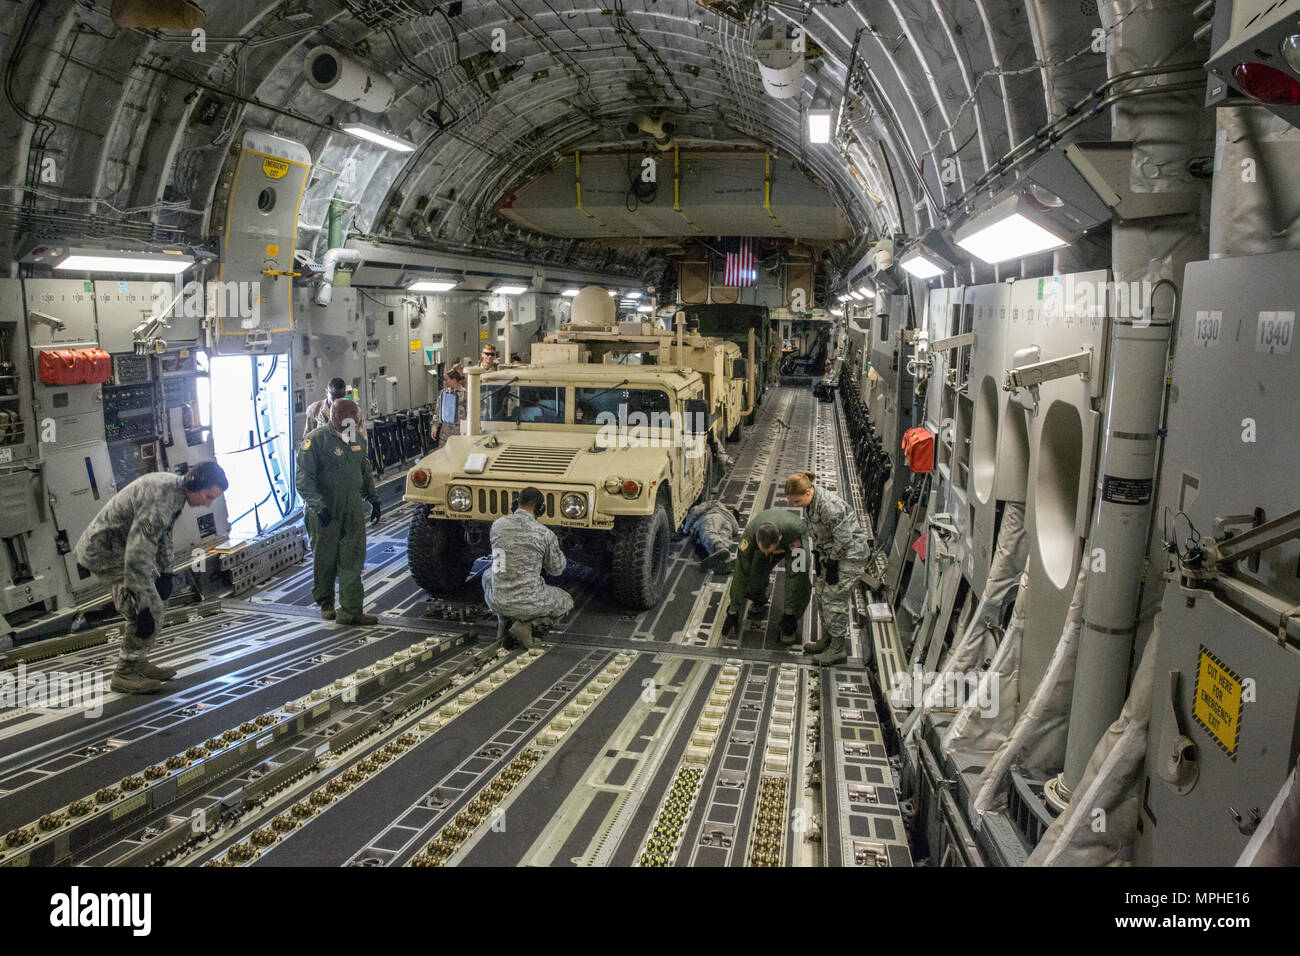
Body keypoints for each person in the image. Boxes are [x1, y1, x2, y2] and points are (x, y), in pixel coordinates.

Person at [74, 462, 228, 694]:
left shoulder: (175, 492)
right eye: (208, 496)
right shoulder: (161, 500)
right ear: (196, 484)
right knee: (146, 609)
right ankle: (125, 673)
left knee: (156, 600)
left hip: (121, 548)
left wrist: (166, 572)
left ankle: (138, 662)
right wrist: (142, 605)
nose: (208, 503)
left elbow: (164, 535)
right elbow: (137, 555)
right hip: (104, 551)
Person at [296, 398, 382, 626]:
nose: (351, 424)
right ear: (334, 418)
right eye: (347, 420)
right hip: (325, 509)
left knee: (353, 557)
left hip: (352, 506)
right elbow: (304, 480)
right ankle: (326, 603)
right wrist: (318, 507)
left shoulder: (355, 438)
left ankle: (351, 611)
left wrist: (373, 498)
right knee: (325, 558)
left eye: (354, 420)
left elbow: (363, 469)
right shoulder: (316, 441)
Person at [784, 471, 870, 665]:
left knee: (834, 598)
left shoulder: (829, 506)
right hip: (830, 555)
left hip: (849, 556)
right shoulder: (811, 504)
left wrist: (832, 562)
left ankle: (838, 648)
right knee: (822, 594)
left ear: (808, 492)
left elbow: (845, 538)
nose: (795, 506)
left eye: (796, 501)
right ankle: (829, 638)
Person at [482, 486, 573, 649]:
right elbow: (557, 570)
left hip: (496, 601)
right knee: (566, 600)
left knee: (488, 574)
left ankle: (503, 620)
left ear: (515, 504)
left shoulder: (497, 525)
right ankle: (526, 625)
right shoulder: (544, 534)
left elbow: (500, 562)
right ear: (541, 509)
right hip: (530, 602)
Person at [721, 508, 811, 646]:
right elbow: (741, 572)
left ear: (779, 539)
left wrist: (790, 614)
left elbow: (796, 577)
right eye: (764, 550)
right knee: (753, 576)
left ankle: (790, 620)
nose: (768, 553)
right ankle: (759, 598)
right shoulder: (749, 537)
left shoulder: (794, 533)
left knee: (799, 579)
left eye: (769, 550)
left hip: (791, 539)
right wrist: (733, 610)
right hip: (766, 543)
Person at [683, 500, 743, 573]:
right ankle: (726, 559)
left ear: (731, 511)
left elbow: (697, 511)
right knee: (724, 538)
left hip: (715, 515)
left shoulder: (718, 504)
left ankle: (719, 548)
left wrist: (686, 528)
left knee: (709, 532)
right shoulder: (734, 525)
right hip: (730, 526)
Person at [432, 365, 466, 448]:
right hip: (445, 436)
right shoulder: (443, 394)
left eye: (446, 380)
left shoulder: (466, 395)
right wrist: (434, 426)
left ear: (454, 380)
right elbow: (438, 412)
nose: (445, 382)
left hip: (459, 435)